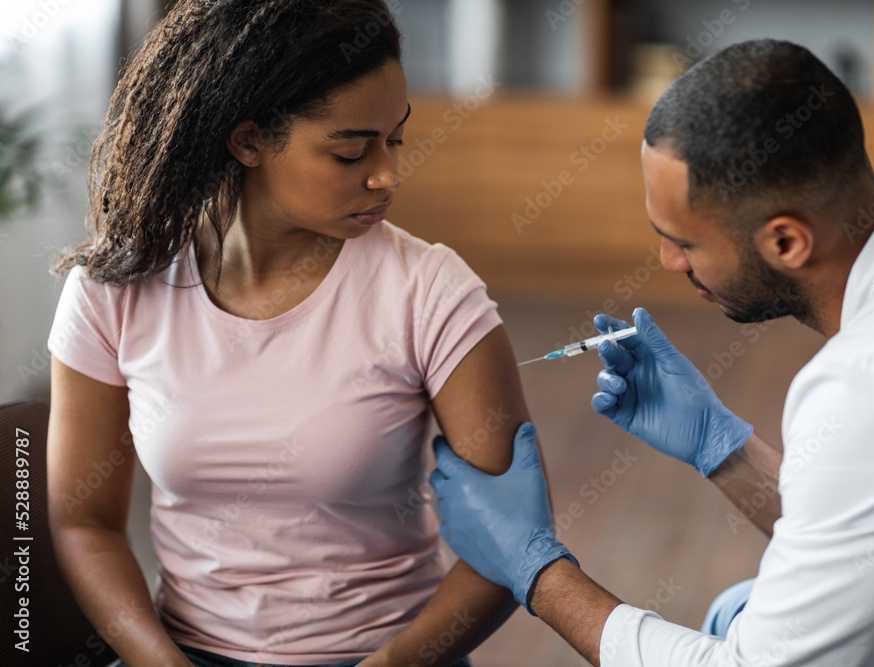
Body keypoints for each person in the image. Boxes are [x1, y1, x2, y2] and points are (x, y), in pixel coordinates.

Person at [429, 39, 874, 667]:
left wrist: (533, 567)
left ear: (786, 240)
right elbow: (872, 527)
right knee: (743, 604)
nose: (670, 262)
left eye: (684, 243)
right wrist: (718, 445)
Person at [45, 1, 547, 665]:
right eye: (350, 150)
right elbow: (84, 521)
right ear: (248, 139)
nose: (386, 174)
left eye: (394, 139)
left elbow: (516, 539)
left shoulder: (431, 292)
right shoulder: (115, 287)